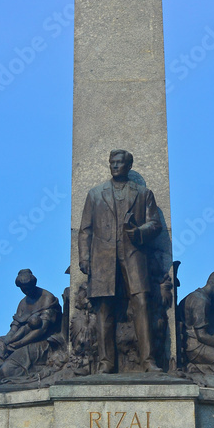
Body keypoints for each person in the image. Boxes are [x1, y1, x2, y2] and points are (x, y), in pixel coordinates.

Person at [78, 149, 163, 373]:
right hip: (103, 258)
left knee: (142, 303)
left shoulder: (143, 193)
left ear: (129, 166)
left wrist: (140, 232)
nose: (115, 166)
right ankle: (106, 362)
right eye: (112, 162)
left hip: (134, 254)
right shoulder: (95, 194)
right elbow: (85, 229)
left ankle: (148, 360)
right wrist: (84, 257)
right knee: (104, 308)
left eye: (119, 163)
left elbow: (155, 223)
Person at [0, 269, 63, 384]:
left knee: (7, 369)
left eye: (28, 288)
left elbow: (42, 329)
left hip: (43, 341)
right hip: (23, 337)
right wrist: (8, 340)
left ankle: (9, 375)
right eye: (23, 289)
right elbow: (15, 326)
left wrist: (18, 344)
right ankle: (3, 379)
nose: (26, 291)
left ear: (34, 284)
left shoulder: (47, 298)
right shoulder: (23, 303)